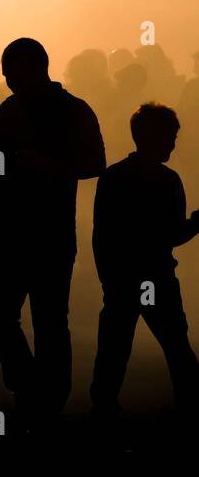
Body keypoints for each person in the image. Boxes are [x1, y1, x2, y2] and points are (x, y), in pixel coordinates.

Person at [0, 37, 105, 429]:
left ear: (34, 68)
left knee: (47, 321)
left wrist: (43, 164)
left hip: (49, 232)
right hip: (9, 227)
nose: (8, 80)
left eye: (11, 72)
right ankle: (33, 386)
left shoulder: (72, 111)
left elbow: (95, 162)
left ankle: (47, 399)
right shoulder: (10, 109)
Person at [90, 103, 199, 418]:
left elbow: (102, 235)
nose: (173, 143)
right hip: (157, 276)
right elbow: (173, 235)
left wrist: (108, 277)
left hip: (122, 277)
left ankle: (103, 406)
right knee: (176, 345)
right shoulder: (169, 181)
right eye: (171, 136)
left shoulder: (113, 178)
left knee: (114, 347)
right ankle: (190, 404)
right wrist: (195, 224)